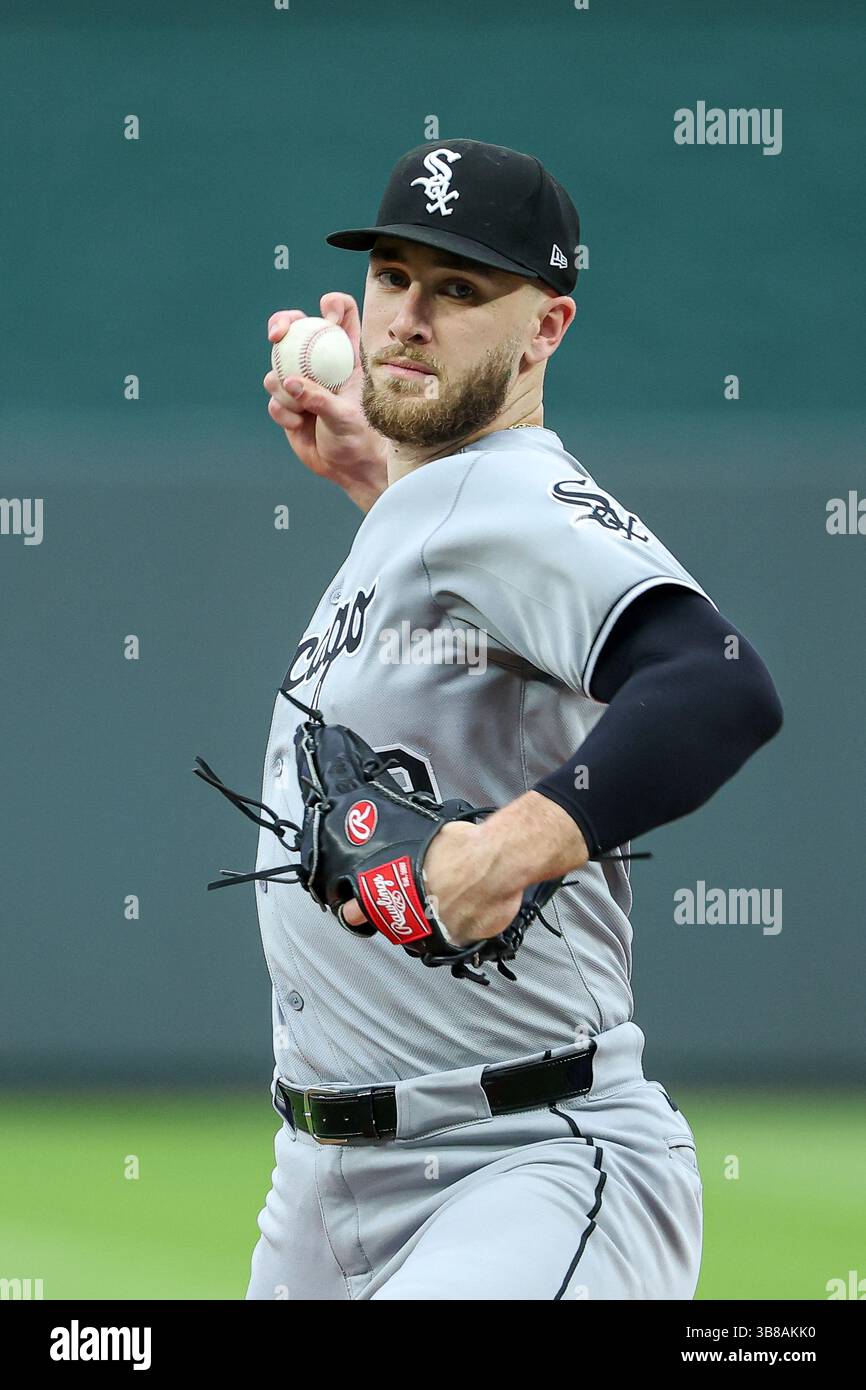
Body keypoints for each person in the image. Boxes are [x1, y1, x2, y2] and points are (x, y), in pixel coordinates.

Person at [244, 138, 782, 1300]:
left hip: (519, 1161)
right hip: (323, 1181)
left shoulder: (507, 490)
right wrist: (378, 479)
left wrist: (509, 845)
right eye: (391, 275)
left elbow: (717, 680)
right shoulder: (427, 506)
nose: (406, 316)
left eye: (459, 288)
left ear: (545, 328)